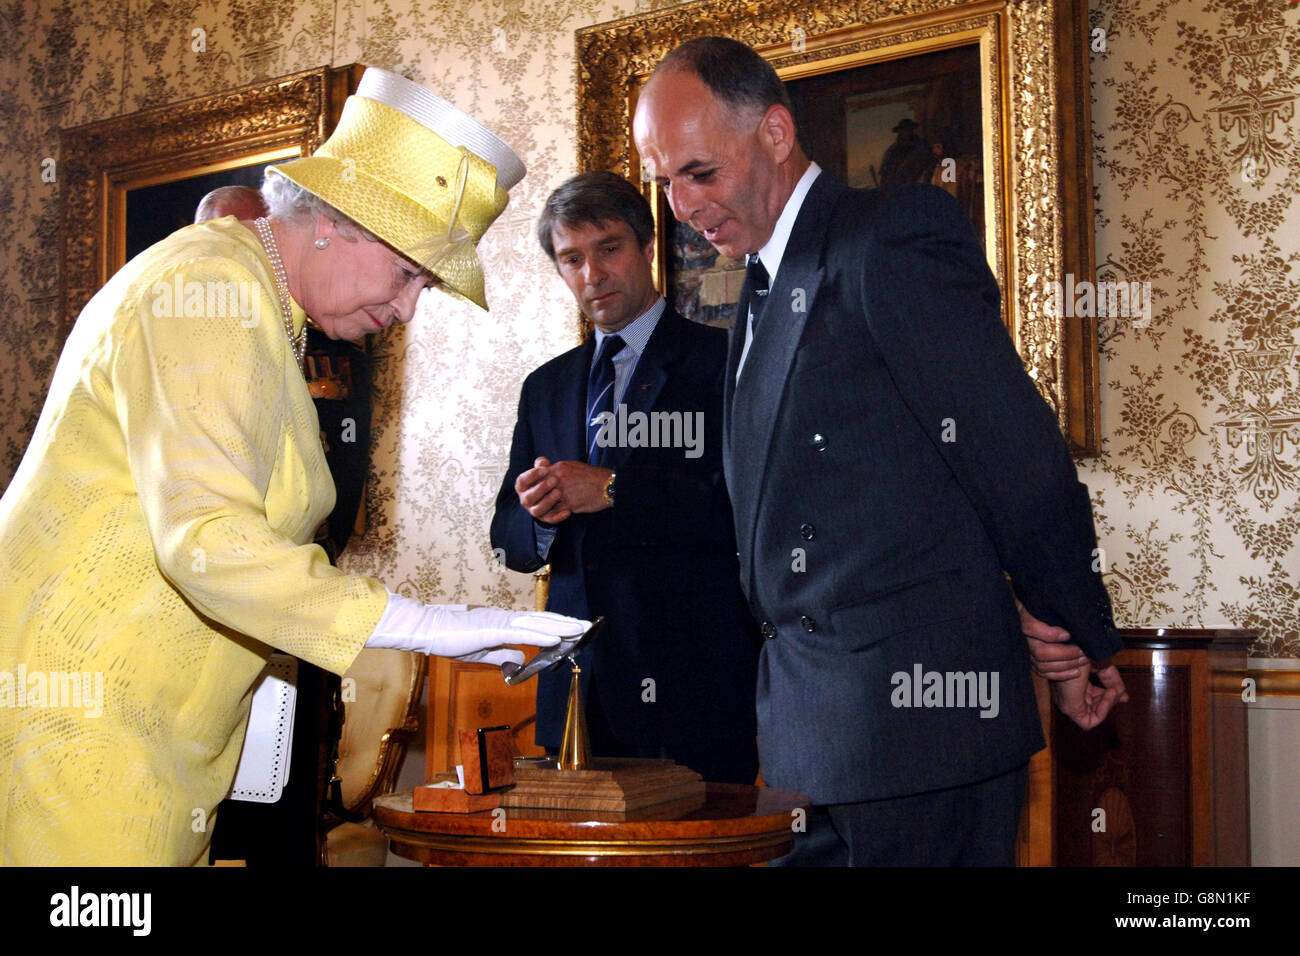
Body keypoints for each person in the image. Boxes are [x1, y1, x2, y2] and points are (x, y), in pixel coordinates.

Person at [0, 67, 587, 866]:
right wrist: (432, 627)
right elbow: (207, 540)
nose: (409, 308)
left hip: (144, 740)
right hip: (86, 733)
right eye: (411, 273)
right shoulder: (206, 287)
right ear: (337, 224)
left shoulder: (257, 306)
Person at [633, 37, 1127, 865]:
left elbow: (1014, 458)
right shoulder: (755, 289)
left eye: (700, 173)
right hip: (813, 738)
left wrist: (1076, 628)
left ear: (777, 134)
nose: (681, 204)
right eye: (665, 182)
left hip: (920, 740)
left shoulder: (888, 239)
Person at [490, 171, 759, 784]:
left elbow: (747, 513)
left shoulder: (720, 364)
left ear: (646, 246)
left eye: (608, 248)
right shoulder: (546, 387)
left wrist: (611, 491)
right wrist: (536, 514)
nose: (593, 275)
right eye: (572, 259)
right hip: (575, 686)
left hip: (695, 681)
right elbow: (507, 540)